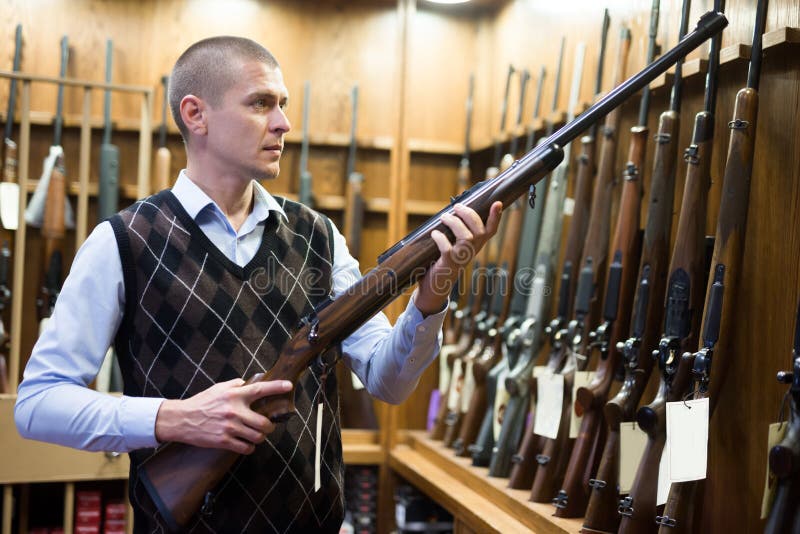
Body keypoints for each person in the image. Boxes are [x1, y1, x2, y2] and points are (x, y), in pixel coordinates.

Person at [15, 36, 502, 533]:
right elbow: (38, 404)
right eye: (261, 103)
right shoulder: (122, 241)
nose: (283, 123)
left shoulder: (318, 236)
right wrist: (176, 418)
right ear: (195, 115)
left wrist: (434, 289)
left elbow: (388, 382)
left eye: (283, 104)